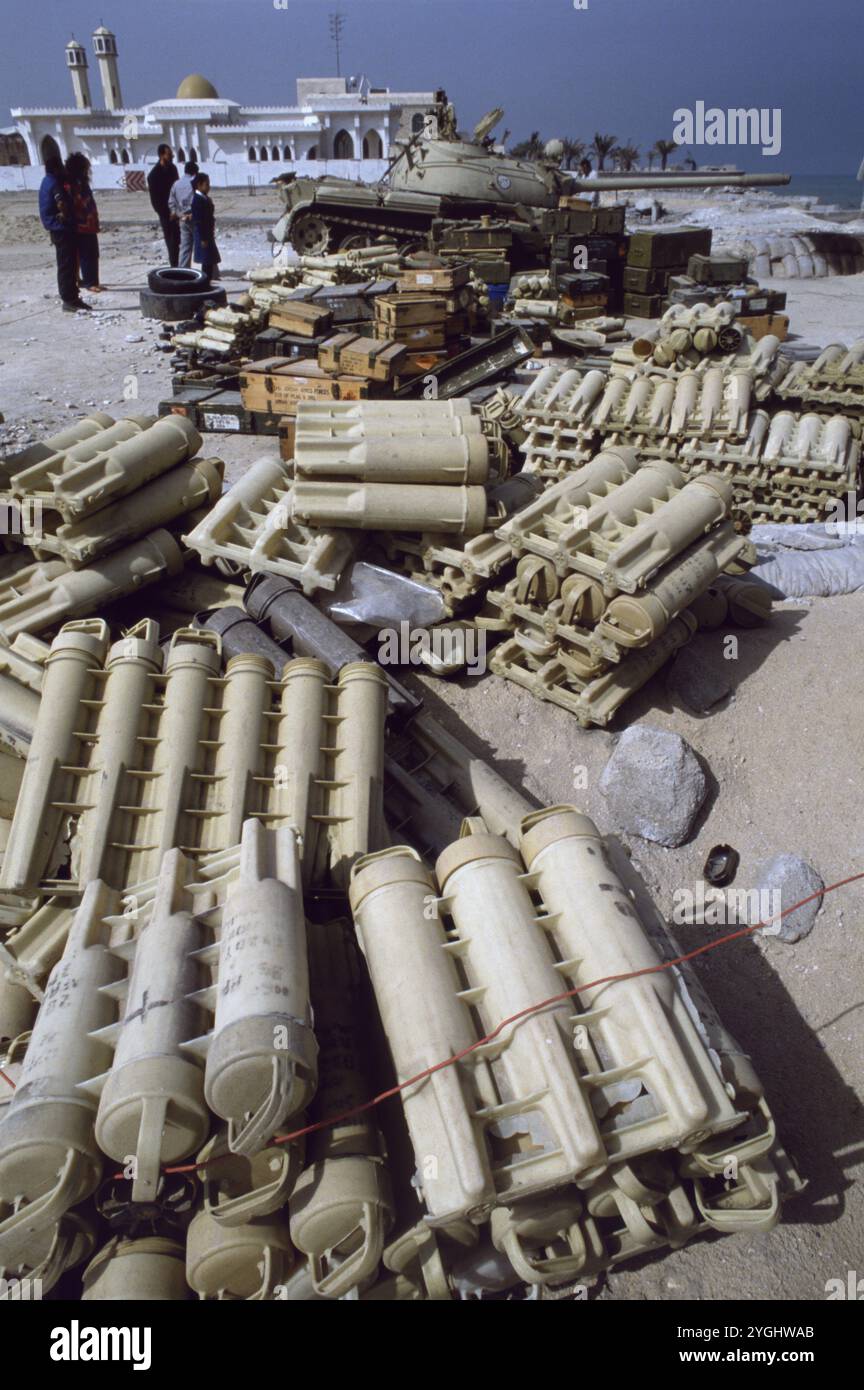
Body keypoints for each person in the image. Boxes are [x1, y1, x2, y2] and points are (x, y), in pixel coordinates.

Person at [38, 154, 87, 313]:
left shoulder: (46, 181)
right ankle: (69, 299)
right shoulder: (55, 183)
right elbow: (61, 203)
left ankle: (73, 297)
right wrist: (67, 216)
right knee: (67, 265)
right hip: (61, 229)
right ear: (56, 168)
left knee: (68, 264)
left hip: (57, 228)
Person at [65, 152, 102, 293]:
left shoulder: (82, 183)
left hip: (89, 224)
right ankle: (89, 282)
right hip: (80, 226)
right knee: (86, 254)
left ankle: (90, 280)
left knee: (91, 254)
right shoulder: (72, 185)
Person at [147, 143, 180, 265]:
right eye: (169, 154)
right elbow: (156, 200)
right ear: (161, 155)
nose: (171, 156)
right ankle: (174, 266)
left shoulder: (172, 169)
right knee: (171, 240)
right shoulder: (154, 175)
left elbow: (176, 189)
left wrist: (177, 209)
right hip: (166, 214)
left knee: (178, 239)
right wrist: (167, 213)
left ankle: (180, 264)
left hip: (176, 211)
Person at [168, 159, 199, 269]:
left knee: (185, 247)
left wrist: (176, 214)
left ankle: (183, 270)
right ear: (195, 172)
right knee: (205, 244)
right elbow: (199, 200)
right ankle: (212, 273)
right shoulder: (194, 183)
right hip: (195, 218)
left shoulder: (176, 184)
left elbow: (171, 202)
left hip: (182, 218)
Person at [190, 173, 220, 281]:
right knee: (206, 260)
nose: (209, 187)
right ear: (199, 185)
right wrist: (203, 238)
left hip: (207, 233)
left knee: (209, 261)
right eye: (206, 184)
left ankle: (207, 281)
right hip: (203, 235)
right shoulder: (197, 200)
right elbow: (199, 221)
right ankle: (204, 282)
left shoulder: (205, 198)